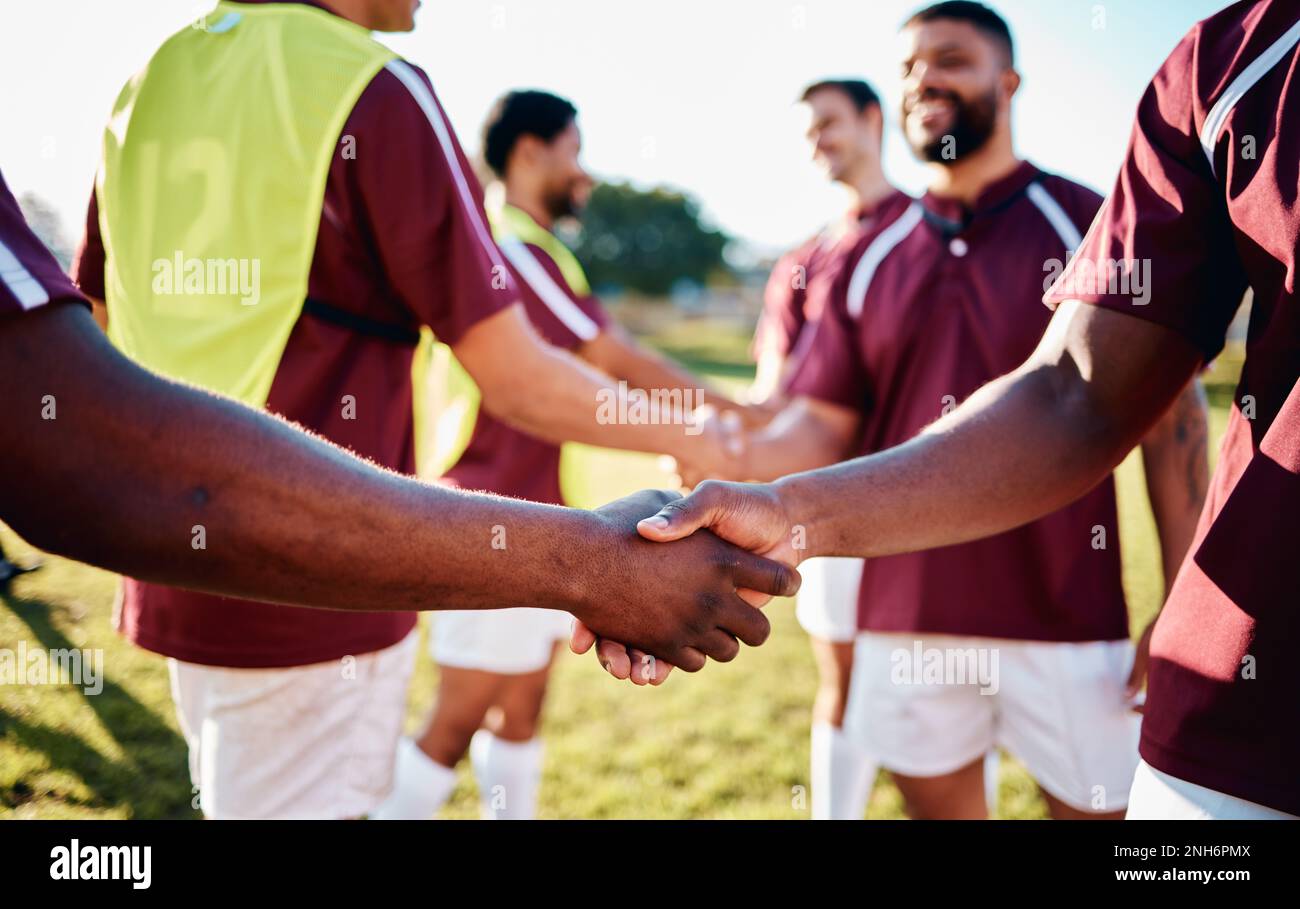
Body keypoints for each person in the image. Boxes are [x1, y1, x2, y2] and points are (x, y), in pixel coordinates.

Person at [66, 0, 783, 819]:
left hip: (175, 552)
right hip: (318, 562)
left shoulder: (147, 78)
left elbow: (95, 331)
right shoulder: (370, 83)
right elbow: (523, 375)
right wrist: (696, 432)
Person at [592, 0, 1299, 821]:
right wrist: (714, 457)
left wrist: (1177, 590)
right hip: (907, 616)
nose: (925, 78)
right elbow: (816, 425)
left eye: (952, 58)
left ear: (1010, 80)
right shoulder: (859, 251)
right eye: (908, 67)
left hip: (1068, 616)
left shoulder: (1084, 215)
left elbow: (1163, 419)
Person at [377, 90, 749, 820]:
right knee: (453, 723)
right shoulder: (507, 246)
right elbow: (612, 353)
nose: (585, 173)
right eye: (574, 152)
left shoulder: (542, 251)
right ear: (529, 151)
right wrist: (727, 415)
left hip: (540, 517)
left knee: (522, 709)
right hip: (490, 514)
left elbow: (603, 356)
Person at [748, 77, 992, 821]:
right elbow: (774, 397)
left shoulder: (941, 234)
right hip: (830, 505)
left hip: (932, 508)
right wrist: (710, 442)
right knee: (843, 674)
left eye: (830, 122)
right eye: (807, 130)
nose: (818, 139)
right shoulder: (802, 260)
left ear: (873, 119)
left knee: (955, 689)